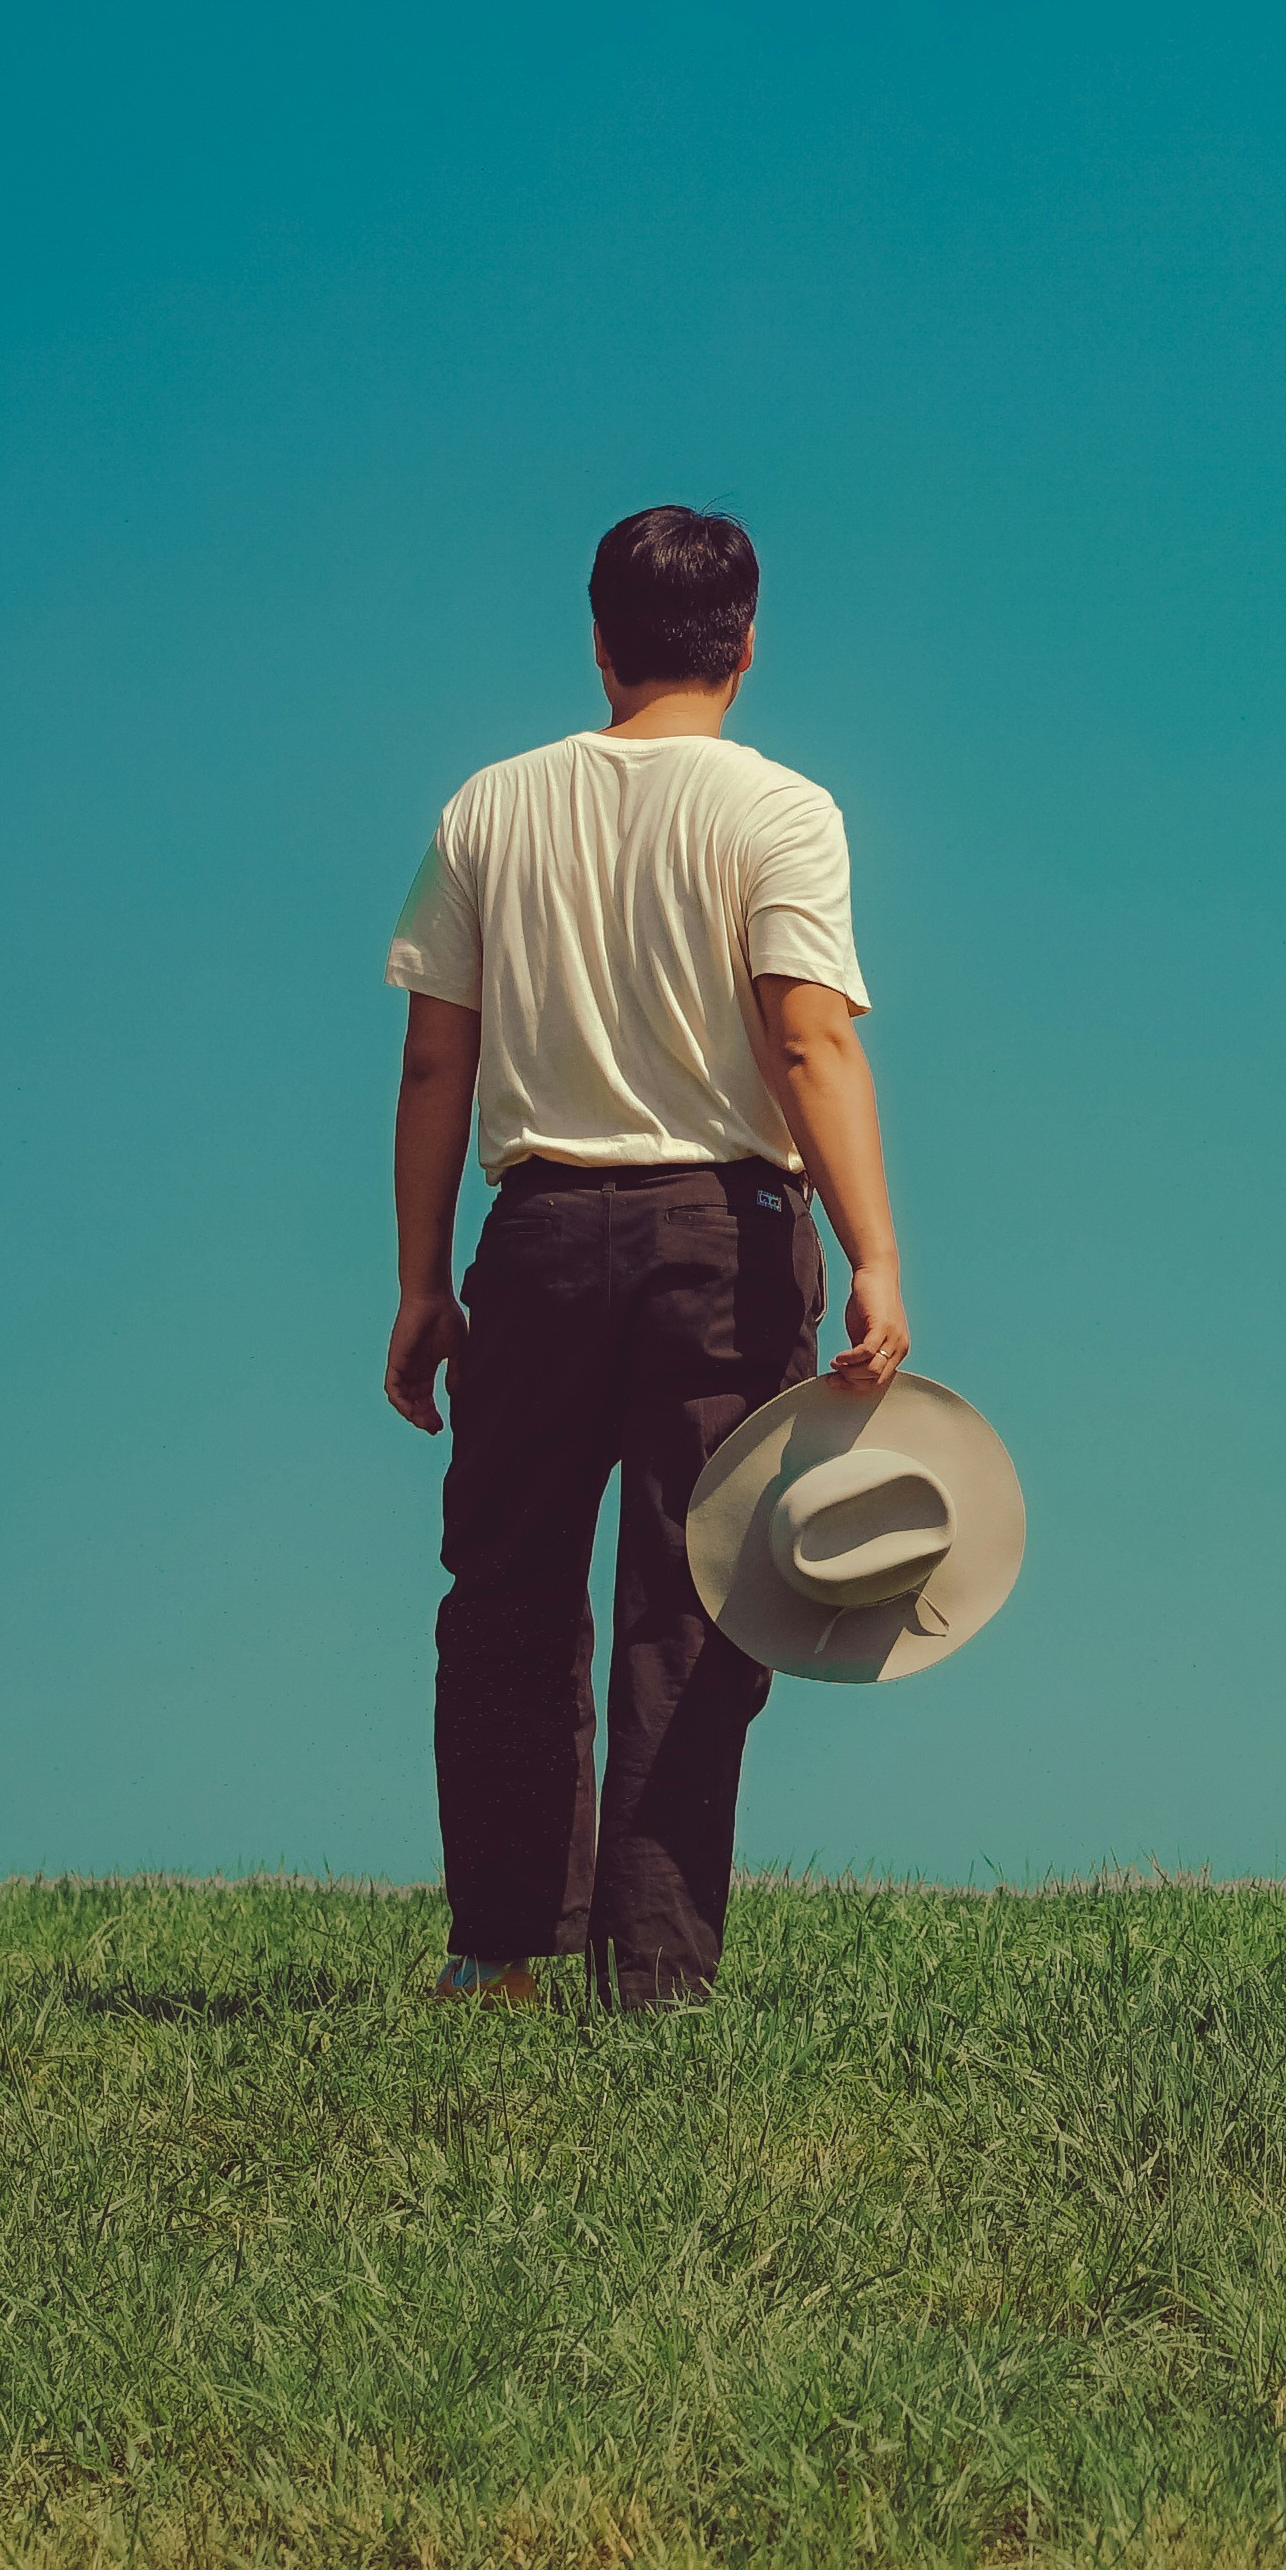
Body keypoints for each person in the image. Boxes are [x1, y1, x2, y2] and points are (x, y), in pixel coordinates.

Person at [379, 506, 910, 2007]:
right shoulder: (784, 811)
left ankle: (500, 1958)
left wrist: (424, 1278)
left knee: (505, 1593)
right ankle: (658, 1977)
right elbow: (809, 1040)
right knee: (698, 1600)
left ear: (600, 641)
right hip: (722, 1244)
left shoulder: (489, 807)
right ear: (745, 648)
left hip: (535, 1237)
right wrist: (873, 1253)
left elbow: (435, 1063)